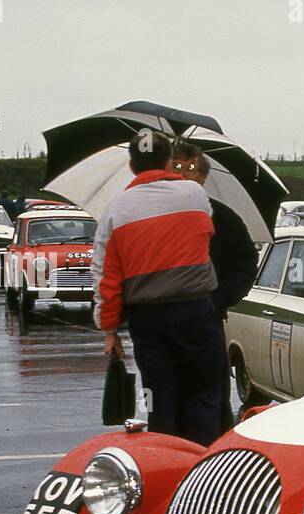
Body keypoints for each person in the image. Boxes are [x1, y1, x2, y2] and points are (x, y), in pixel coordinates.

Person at [93, 130, 222, 446]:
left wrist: (109, 329)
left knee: (158, 396)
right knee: (204, 394)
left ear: (131, 165)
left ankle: (167, 460)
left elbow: (106, 277)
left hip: (148, 319)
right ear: (168, 160)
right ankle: (206, 466)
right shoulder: (193, 194)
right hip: (196, 310)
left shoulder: (115, 210)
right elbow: (207, 228)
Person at [169, 141, 260, 433]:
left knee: (210, 399)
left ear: (204, 177)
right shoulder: (151, 216)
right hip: (159, 321)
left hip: (205, 319)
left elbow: (246, 262)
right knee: (162, 398)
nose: (183, 175)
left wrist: (220, 298)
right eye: (176, 168)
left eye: (191, 169)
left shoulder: (223, 217)